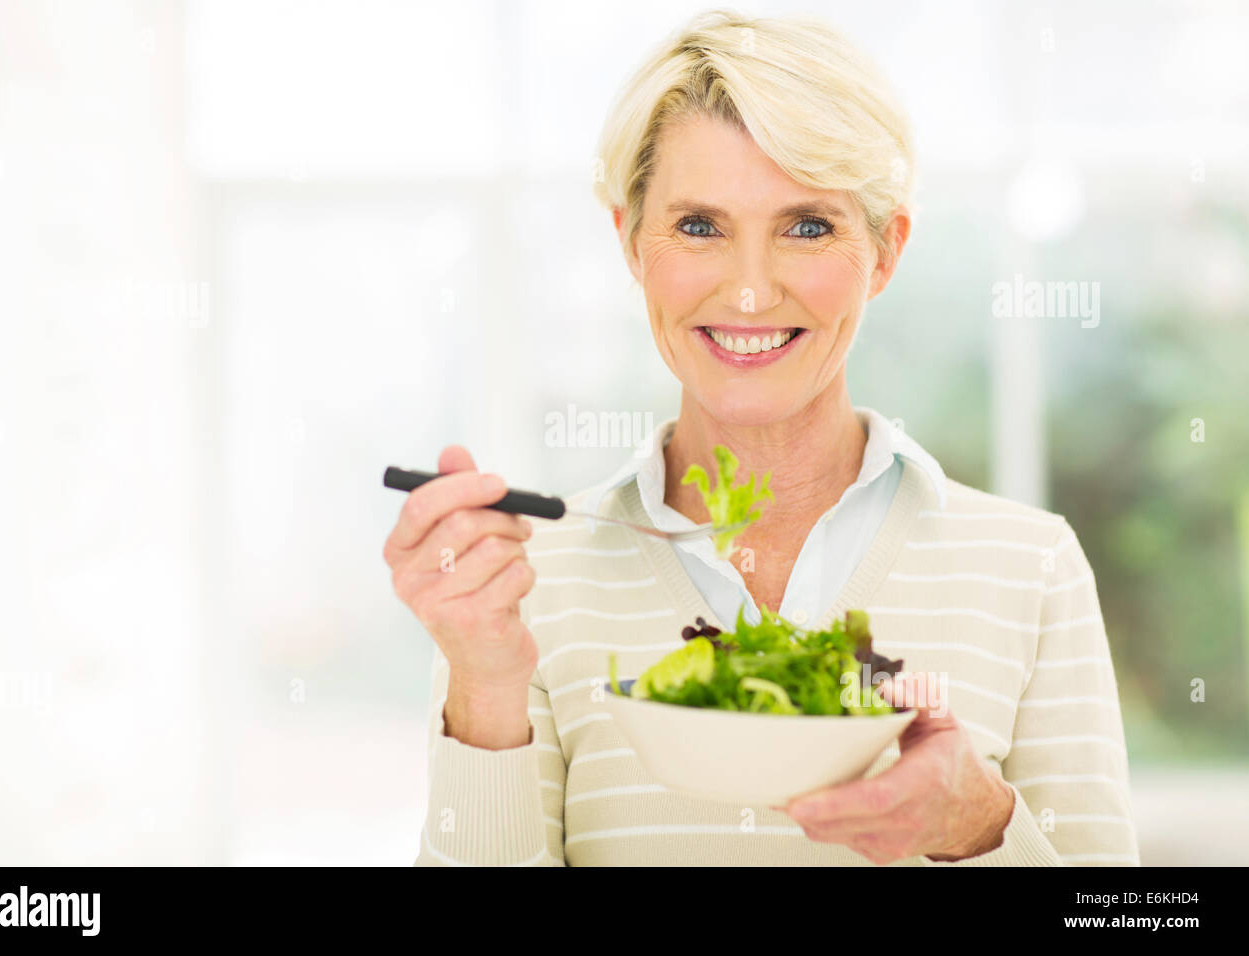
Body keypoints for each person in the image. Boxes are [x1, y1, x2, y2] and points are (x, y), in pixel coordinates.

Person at [388, 9, 1140, 866]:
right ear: (632, 240)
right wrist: (485, 684)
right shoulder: (533, 585)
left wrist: (983, 832)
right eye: (700, 227)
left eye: (807, 226)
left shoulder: (1027, 567)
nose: (749, 294)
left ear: (885, 250)